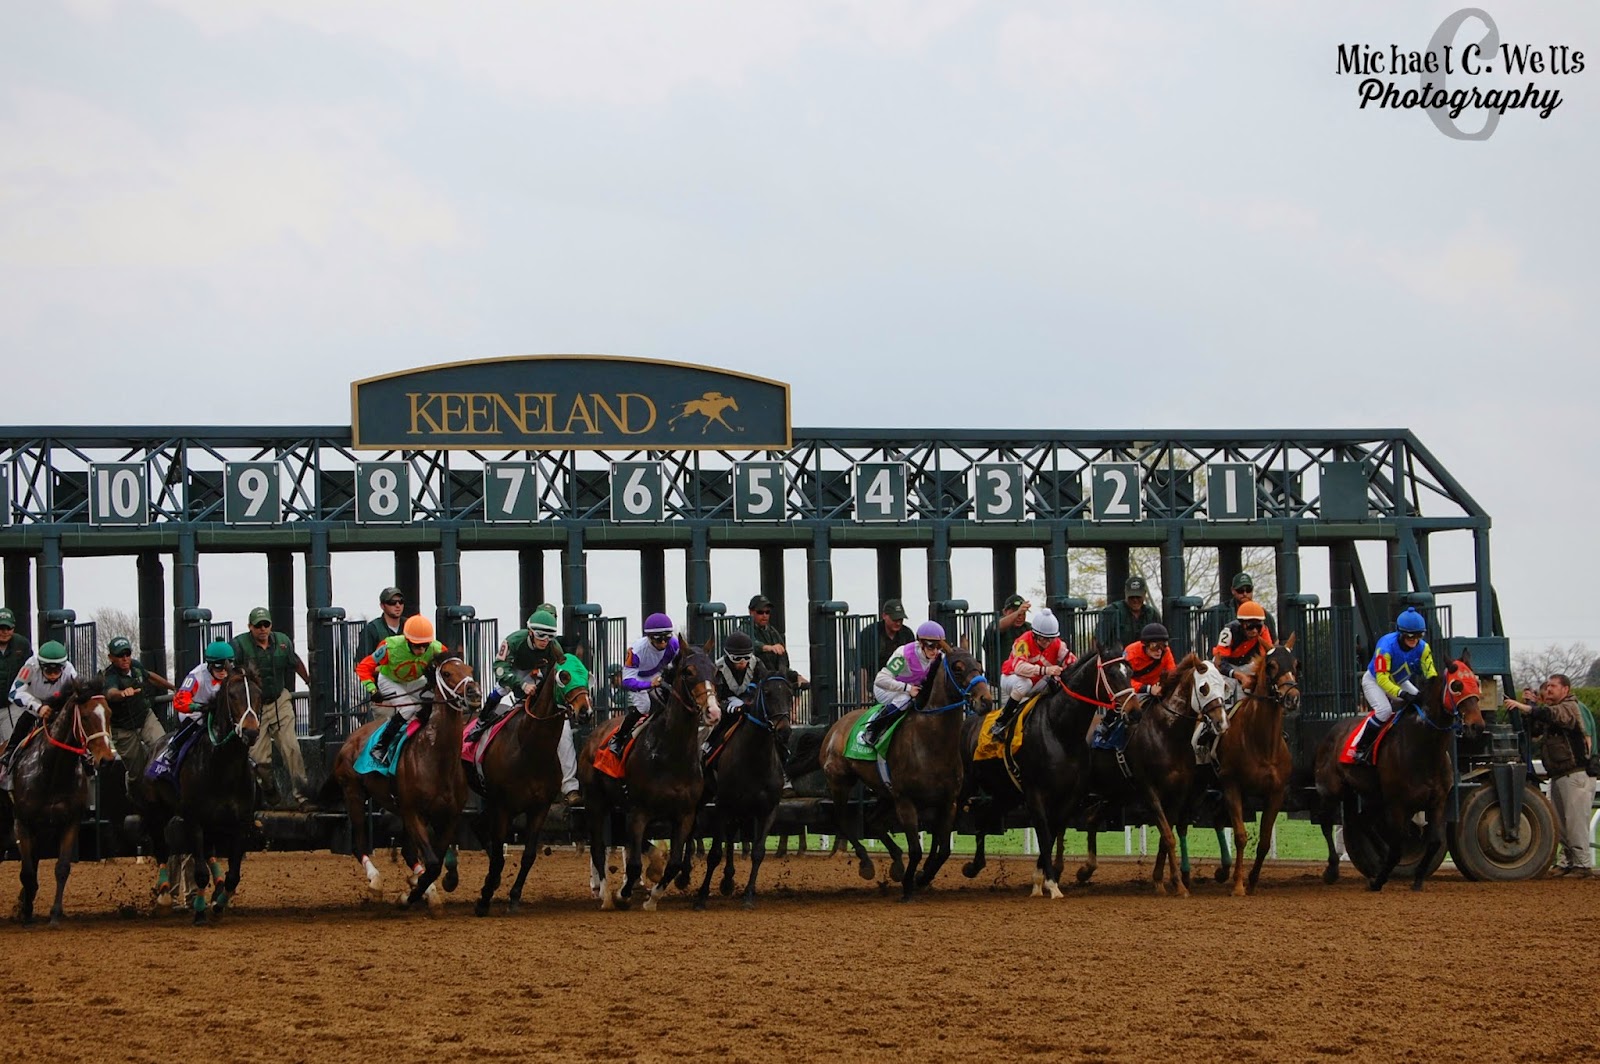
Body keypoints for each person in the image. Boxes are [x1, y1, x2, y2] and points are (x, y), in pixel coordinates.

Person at [475, 608, 581, 805]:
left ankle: (570, 787)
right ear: (530, 631)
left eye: (550, 636)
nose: (545, 640)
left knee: (562, 729)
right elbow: (499, 668)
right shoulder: (513, 641)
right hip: (513, 672)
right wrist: (521, 684)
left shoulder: (553, 646)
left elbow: (563, 667)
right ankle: (482, 720)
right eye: (541, 635)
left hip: (536, 673)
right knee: (502, 689)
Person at [1505, 675, 1595, 877]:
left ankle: (1582, 865)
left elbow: (1552, 715)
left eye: (1554, 686)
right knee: (1561, 824)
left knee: (1575, 822)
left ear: (1566, 689)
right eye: (1548, 686)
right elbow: (1536, 729)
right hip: (1559, 775)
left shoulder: (1570, 707)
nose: (1549, 689)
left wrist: (1525, 707)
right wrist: (1531, 705)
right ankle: (1566, 863)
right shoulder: (1554, 711)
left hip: (1576, 775)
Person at [232, 608, 313, 809]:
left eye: (266, 624)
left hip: (280, 700)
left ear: (271, 625)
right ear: (250, 627)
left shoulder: (282, 642)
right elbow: (230, 673)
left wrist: (309, 681)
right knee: (259, 759)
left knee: (291, 748)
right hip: (255, 708)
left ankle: (303, 797)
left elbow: (294, 662)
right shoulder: (239, 645)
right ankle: (270, 793)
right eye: (258, 625)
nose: (262, 629)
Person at [703, 630, 795, 795]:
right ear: (728, 657)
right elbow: (717, 697)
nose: (742, 663)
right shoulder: (718, 669)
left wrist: (748, 701)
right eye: (737, 659)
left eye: (746, 658)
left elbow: (760, 685)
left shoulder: (757, 664)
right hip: (727, 710)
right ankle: (708, 758)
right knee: (717, 732)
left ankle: (784, 771)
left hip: (752, 708)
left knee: (774, 733)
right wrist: (730, 705)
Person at [356, 615, 446, 767]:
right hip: (390, 680)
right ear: (407, 640)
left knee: (436, 701)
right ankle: (381, 746)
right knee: (408, 708)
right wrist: (372, 690)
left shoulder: (437, 648)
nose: (421, 650)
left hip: (414, 680)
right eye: (417, 646)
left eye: (425, 645)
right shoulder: (389, 647)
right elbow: (363, 667)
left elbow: (452, 665)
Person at [1348, 609, 1436, 764]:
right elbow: (1382, 680)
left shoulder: (1424, 648)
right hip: (1374, 681)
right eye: (1410, 636)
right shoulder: (1386, 645)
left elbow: (1431, 675)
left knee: (1424, 705)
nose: (1414, 640)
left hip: (1400, 681)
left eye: (1418, 635)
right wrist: (1402, 694)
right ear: (1400, 633)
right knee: (1384, 710)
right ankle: (1360, 748)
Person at [148, 640, 236, 777]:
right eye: (219, 667)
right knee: (192, 727)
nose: (223, 672)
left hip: (219, 714)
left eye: (227, 666)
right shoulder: (196, 676)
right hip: (196, 713)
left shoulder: (234, 676)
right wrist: (195, 706)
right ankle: (171, 752)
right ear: (210, 664)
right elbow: (179, 700)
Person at [988, 611, 1076, 741]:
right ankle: (1001, 722)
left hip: (1036, 683)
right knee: (1025, 683)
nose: (1047, 642)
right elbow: (1019, 668)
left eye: (1050, 638)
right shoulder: (1023, 642)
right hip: (1011, 679)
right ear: (1035, 635)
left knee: (1055, 683)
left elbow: (1072, 662)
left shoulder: (1057, 644)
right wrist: (1046, 670)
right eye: (1043, 638)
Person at [858, 620, 946, 748]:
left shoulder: (937, 656)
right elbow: (880, 680)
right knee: (905, 699)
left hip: (912, 689)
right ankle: (873, 730)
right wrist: (907, 688)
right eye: (931, 646)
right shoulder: (904, 654)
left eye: (939, 647)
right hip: (886, 689)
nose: (935, 651)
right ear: (921, 643)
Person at [1, 639, 78, 782]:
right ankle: (8, 756)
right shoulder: (30, 666)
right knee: (21, 728)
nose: (53, 675)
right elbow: (14, 693)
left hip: (58, 708)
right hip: (35, 707)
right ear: (41, 665)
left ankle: (87, 760)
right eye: (49, 670)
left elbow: (77, 694)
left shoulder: (70, 670)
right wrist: (37, 706)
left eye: (57, 670)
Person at [101, 635, 174, 783]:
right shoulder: (110, 676)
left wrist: (173, 688)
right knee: (137, 772)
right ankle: (134, 793)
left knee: (163, 750)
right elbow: (110, 693)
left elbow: (150, 676)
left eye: (127, 654)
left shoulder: (135, 666)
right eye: (120, 655)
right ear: (111, 658)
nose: (125, 658)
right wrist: (121, 693)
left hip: (145, 717)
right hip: (124, 729)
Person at [607, 613, 679, 756]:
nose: (664, 643)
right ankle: (618, 737)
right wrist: (649, 685)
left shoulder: (674, 644)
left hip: (657, 674)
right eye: (659, 640)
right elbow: (627, 681)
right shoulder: (636, 651)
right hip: (638, 678)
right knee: (644, 706)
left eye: (666, 638)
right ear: (649, 638)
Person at [356, 587, 407, 718]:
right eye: (392, 602)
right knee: (387, 726)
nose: (397, 605)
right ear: (382, 606)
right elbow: (361, 664)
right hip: (384, 695)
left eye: (401, 601)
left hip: (410, 689)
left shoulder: (410, 626)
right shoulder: (372, 630)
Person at [739, 594, 808, 689]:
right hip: (753, 681)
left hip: (774, 680)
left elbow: (783, 661)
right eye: (760, 612)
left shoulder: (772, 632)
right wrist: (767, 648)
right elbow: (748, 643)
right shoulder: (744, 629)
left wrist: (796, 676)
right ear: (751, 612)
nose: (764, 615)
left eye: (767, 612)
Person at [856, 599, 913, 701]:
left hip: (901, 685)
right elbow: (862, 667)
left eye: (901, 619)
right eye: (895, 619)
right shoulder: (869, 634)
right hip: (875, 685)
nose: (898, 623)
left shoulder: (907, 634)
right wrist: (863, 694)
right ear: (884, 616)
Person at [1212, 600, 1275, 678]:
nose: (1255, 631)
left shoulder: (1263, 630)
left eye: (1258, 626)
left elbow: (1268, 654)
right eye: (1250, 626)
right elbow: (1220, 662)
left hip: (1247, 666)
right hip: (1227, 666)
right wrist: (1238, 675)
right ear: (1241, 623)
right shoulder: (1228, 631)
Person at [1097, 576, 1161, 650]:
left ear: (1144, 594)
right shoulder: (1111, 612)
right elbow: (1098, 641)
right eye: (1131, 597)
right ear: (1126, 594)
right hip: (1118, 658)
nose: (1135, 600)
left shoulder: (1152, 614)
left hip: (1145, 658)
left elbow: (1160, 642)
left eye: (1138, 597)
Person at [979, 594, 1031, 680]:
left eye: (1023, 613)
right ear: (1005, 612)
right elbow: (999, 627)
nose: (1020, 616)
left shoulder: (1028, 628)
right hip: (998, 684)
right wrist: (1017, 613)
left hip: (1023, 680)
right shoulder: (994, 625)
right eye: (1014, 612)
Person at [1127, 623, 1177, 697]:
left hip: (1156, 688)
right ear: (1145, 645)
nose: (1159, 651)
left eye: (1163, 645)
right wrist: (1147, 689)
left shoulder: (1166, 651)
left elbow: (1172, 673)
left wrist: (1164, 686)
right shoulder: (1131, 654)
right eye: (1154, 646)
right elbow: (1124, 681)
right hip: (1134, 691)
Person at [1229, 572, 1277, 642]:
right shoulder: (1222, 613)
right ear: (1233, 591)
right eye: (1240, 590)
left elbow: (1274, 642)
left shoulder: (1265, 615)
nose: (1245, 594)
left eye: (1248, 590)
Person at [0, 606, 32, 701]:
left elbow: (31, 671)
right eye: (1, 628)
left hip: (14, 703)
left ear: (13, 628)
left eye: (8, 628)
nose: (5, 632)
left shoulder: (22, 644)